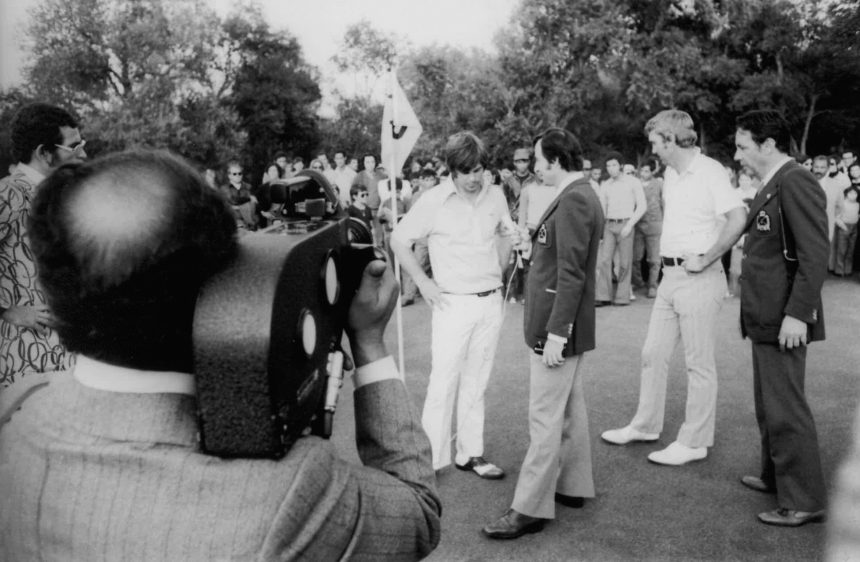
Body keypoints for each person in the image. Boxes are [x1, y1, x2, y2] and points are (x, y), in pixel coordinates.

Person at [0, 149, 441, 560]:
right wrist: (368, 343)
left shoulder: (16, 409)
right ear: (225, 280)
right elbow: (417, 512)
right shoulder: (290, 491)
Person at [601, 109, 747, 466]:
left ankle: (694, 441)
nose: (653, 150)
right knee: (653, 354)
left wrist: (708, 256)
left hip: (699, 278)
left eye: (655, 142)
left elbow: (738, 218)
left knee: (698, 364)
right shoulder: (669, 173)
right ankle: (646, 425)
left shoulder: (710, 171)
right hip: (670, 279)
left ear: (670, 139)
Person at [482, 127, 603, 539]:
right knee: (570, 408)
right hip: (560, 322)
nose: (534, 167)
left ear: (556, 160)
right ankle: (573, 485)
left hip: (556, 325)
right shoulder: (576, 195)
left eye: (538, 160)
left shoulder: (573, 199)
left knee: (545, 417)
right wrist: (531, 247)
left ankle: (529, 508)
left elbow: (572, 273)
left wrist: (556, 333)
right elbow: (560, 258)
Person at [390, 131, 517, 479]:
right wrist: (424, 283)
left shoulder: (496, 195)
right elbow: (399, 240)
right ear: (452, 171)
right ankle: (431, 461)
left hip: (490, 300)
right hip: (452, 305)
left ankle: (471, 453)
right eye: (466, 172)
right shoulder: (433, 200)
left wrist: (502, 263)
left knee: (477, 380)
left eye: (478, 170)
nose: (474, 179)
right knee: (443, 381)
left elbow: (506, 235)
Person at [733, 109, 828, 527]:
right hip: (766, 314)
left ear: (768, 145)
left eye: (743, 146)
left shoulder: (795, 179)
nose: (737, 155)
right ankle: (776, 476)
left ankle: (804, 498)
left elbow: (814, 254)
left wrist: (798, 315)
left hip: (784, 316)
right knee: (768, 405)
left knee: (786, 408)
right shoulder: (773, 183)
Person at [1, 103, 84, 388]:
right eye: (74, 147)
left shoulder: (59, 196)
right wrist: (7, 310)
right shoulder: (8, 194)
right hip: (24, 360)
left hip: (66, 355)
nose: (83, 155)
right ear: (44, 153)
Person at [595, 153, 646, 306]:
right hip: (609, 224)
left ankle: (622, 297)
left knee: (624, 262)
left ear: (621, 166)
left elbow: (642, 206)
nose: (611, 169)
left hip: (626, 224)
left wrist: (630, 225)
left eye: (614, 165)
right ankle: (603, 295)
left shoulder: (633, 182)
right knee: (604, 260)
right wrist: (600, 228)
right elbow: (602, 208)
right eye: (608, 166)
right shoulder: (606, 184)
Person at [400, 168, 438, 306]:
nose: (429, 182)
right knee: (416, 263)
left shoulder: (439, 194)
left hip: (436, 235)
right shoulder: (416, 196)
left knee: (439, 265)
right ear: (421, 181)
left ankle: (439, 292)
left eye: (431, 179)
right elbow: (413, 215)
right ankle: (409, 294)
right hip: (422, 236)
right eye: (426, 179)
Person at [631, 162, 664, 298]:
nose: (644, 174)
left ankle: (652, 285)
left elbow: (664, 202)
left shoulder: (659, 184)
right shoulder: (636, 184)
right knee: (636, 257)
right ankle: (638, 281)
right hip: (639, 224)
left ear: (652, 172)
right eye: (642, 171)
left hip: (655, 223)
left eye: (647, 171)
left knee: (654, 259)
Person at [813, 155, 846, 271]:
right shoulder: (805, 183)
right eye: (816, 167)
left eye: (822, 167)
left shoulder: (836, 185)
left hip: (827, 227)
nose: (819, 170)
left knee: (822, 256)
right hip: (808, 226)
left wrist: (833, 217)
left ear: (827, 168)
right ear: (812, 167)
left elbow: (840, 206)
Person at [834, 163, 860, 277]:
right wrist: (842, 225)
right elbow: (837, 216)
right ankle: (839, 270)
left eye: (855, 193)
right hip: (844, 227)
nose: (853, 195)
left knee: (850, 250)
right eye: (851, 193)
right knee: (841, 250)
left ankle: (848, 270)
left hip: (854, 228)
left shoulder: (858, 205)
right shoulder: (843, 203)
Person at [219, 161, 258, 231]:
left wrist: (238, 207)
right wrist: (248, 199)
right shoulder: (224, 189)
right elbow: (232, 201)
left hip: (251, 220)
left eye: (240, 173)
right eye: (234, 174)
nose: (238, 175)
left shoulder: (248, 186)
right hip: (235, 221)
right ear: (229, 175)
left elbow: (254, 204)